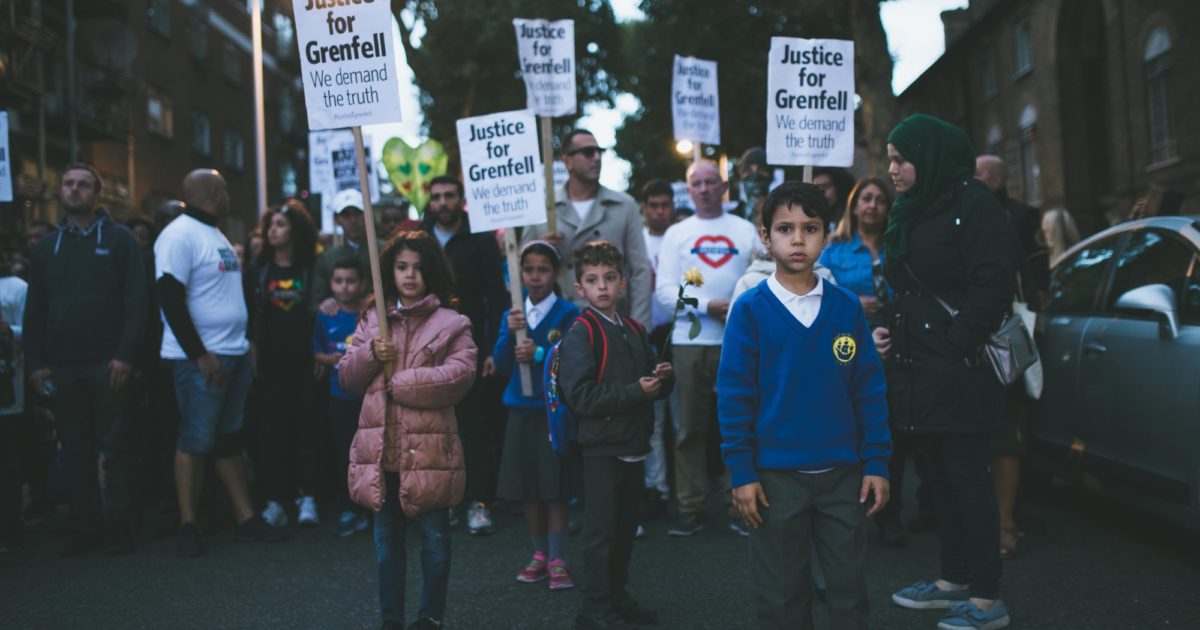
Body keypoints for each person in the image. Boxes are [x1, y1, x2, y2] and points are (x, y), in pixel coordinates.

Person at [718, 181, 891, 630]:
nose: (798, 239)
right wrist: (741, 472)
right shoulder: (749, 309)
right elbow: (734, 396)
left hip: (843, 477)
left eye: (810, 228)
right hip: (775, 480)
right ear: (765, 237)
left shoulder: (846, 307)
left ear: (826, 235)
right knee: (782, 597)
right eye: (785, 228)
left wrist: (877, 461)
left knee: (849, 593)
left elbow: (869, 389)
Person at [876, 115, 1016, 630]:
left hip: (957, 366)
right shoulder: (913, 207)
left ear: (930, 157)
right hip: (917, 364)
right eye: (890, 159)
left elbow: (993, 283)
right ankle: (953, 580)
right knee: (938, 478)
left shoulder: (973, 203)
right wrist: (885, 326)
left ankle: (987, 599)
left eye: (901, 159)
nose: (892, 169)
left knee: (967, 478)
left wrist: (955, 344)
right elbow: (908, 289)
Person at [338, 230, 477, 630]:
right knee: (386, 545)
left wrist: (400, 383)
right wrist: (371, 354)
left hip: (430, 455)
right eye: (401, 267)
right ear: (390, 271)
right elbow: (347, 377)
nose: (410, 275)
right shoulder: (373, 320)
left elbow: (460, 376)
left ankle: (429, 616)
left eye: (418, 267)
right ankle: (391, 619)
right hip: (382, 453)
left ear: (431, 271)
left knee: (435, 543)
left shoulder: (452, 323)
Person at [157, 169, 286, 557]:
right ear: (213, 192)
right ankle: (188, 524)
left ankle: (246, 518)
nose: (229, 195)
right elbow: (169, 298)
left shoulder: (214, 234)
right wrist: (199, 354)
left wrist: (244, 345)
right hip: (201, 359)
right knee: (195, 440)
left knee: (228, 438)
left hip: (232, 353)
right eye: (225, 189)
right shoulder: (179, 235)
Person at [24, 163, 147, 556]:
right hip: (63, 365)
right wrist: (37, 363)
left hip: (108, 363)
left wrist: (125, 354)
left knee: (115, 448)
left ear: (96, 194)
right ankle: (87, 527)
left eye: (83, 185)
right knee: (76, 449)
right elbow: (35, 309)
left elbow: (137, 301)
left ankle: (119, 525)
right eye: (68, 183)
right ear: (61, 190)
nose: (74, 190)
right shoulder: (47, 247)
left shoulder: (119, 239)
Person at [559, 241, 673, 630]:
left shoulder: (635, 328)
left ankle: (617, 595)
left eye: (609, 278)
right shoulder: (582, 332)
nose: (602, 287)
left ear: (623, 283)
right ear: (580, 289)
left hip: (633, 445)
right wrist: (635, 393)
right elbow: (579, 397)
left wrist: (664, 377)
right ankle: (594, 609)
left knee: (624, 532)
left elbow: (652, 382)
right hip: (601, 450)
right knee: (601, 534)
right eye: (592, 280)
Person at [656, 160, 757, 538]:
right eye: (696, 183)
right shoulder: (677, 234)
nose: (703, 189)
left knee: (740, 425)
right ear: (688, 190)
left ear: (723, 186)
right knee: (688, 430)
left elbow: (762, 278)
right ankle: (690, 507)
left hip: (738, 341)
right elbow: (664, 292)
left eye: (710, 182)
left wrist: (739, 306)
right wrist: (707, 306)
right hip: (689, 342)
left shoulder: (745, 230)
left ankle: (741, 505)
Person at [419, 175, 510, 535]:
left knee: (475, 427)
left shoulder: (480, 239)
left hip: (470, 346)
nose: (443, 202)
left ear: (461, 199)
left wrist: (491, 349)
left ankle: (479, 502)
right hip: (428, 348)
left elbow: (495, 298)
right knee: (437, 429)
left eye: (449, 195)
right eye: (437, 196)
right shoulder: (421, 240)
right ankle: (448, 501)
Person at [494, 240, 580, 590]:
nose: (535, 277)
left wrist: (541, 352)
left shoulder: (567, 312)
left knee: (554, 487)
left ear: (555, 273)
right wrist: (510, 336)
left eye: (543, 270)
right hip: (520, 408)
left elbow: (573, 359)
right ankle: (539, 552)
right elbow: (501, 364)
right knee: (528, 486)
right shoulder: (513, 314)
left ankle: (558, 557)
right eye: (528, 270)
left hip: (551, 411)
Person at [522, 129, 652, 326]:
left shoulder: (624, 206)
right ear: (567, 161)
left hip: (612, 322)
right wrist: (541, 249)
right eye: (588, 152)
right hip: (558, 324)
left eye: (600, 151)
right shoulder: (542, 208)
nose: (597, 158)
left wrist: (638, 327)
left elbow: (640, 271)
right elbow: (522, 268)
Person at [246, 200, 322, 528]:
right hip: (270, 364)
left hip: (305, 362)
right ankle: (275, 500)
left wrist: (320, 352)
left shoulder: (311, 268)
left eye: (280, 225)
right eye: (270, 225)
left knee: (308, 430)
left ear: (295, 230)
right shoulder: (259, 269)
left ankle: (309, 496)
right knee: (271, 432)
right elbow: (251, 318)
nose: (272, 231)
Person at [314, 256, 370, 537]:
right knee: (346, 454)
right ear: (331, 284)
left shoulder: (370, 314)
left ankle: (376, 508)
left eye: (351, 281)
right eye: (339, 281)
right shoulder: (326, 315)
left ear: (362, 283)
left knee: (373, 452)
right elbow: (316, 351)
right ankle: (351, 508)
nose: (345, 287)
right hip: (340, 395)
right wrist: (329, 358)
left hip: (370, 396)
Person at [639, 179, 676, 513]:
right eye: (654, 205)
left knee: (682, 419)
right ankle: (657, 486)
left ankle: (682, 485)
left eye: (665, 205)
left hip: (679, 332)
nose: (660, 211)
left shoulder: (680, 238)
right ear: (645, 208)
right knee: (654, 419)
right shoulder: (638, 241)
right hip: (647, 333)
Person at [314, 189, 381, 315]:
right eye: (346, 215)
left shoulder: (384, 250)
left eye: (358, 213)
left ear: (368, 215)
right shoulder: (327, 258)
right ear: (336, 220)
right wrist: (324, 304)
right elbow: (315, 301)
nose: (353, 220)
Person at [0, 254, 28, 550]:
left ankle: (9, 526)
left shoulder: (17, 287)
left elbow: (31, 328)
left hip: (9, 390)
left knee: (8, 460)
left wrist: (9, 331)